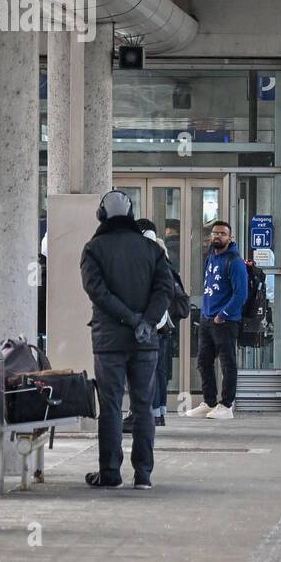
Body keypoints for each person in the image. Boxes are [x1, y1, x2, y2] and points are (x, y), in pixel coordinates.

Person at [79, 190, 173, 489]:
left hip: (109, 341)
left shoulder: (93, 249)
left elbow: (98, 292)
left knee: (110, 406)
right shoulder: (152, 250)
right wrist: (144, 321)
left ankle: (110, 473)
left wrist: (130, 319)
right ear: (131, 214)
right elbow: (164, 290)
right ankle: (143, 475)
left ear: (101, 215)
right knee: (143, 406)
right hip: (146, 341)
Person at [185, 220, 247, 420]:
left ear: (230, 238)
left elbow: (240, 295)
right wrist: (206, 314)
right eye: (215, 233)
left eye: (222, 233)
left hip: (226, 321)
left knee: (227, 363)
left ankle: (226, 405)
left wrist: (223, 315)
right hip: (207, 317)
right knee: (204, 361)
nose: (217, 236)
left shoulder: (235, 261)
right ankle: (209, 402)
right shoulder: (211, 257)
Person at [133, 219, 185, 429]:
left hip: (151, 323)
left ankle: (152, 414)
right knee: (159, 370)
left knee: (148, 370)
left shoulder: (143, 258)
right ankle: (159, 411)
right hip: (162, 322)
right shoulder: (162, 255)